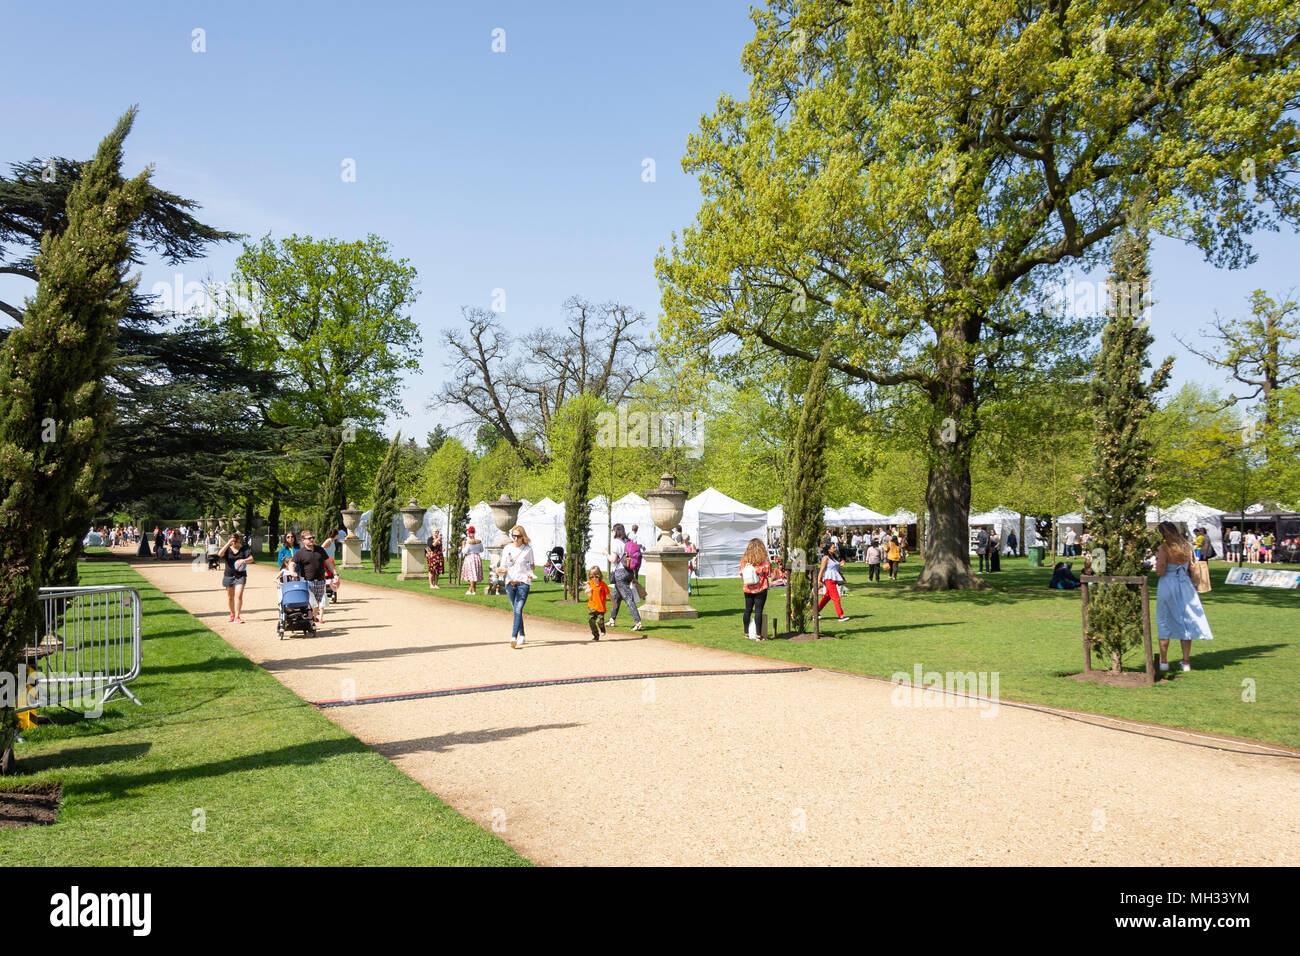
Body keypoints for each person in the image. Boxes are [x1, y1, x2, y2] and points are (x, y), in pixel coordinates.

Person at [1154, 520, 1213, 672]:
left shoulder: (1164, 548)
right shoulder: (1187, 546)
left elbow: (1160, 571)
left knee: (1164, 620)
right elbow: (1190, 568)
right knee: (1186, 620)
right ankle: (1186, 661)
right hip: (1185, 585)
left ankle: (1164, 661)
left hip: (1168, 583)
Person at [495, 525, 535, 648]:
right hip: (510, 584)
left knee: (517, 610)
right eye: (514, 536)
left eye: (518, 536)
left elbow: (532, 565)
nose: (515, 538)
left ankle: (514, 637)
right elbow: (503, 565)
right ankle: (522, 634)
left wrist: (530, 573)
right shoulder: (507, 548)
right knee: (516, 610)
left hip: (523, 583)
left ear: (523, 537)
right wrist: (500, 571)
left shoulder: (528, 550)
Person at [287, 530, 331, 625]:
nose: (312, 539)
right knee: (313, 604)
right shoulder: (300, 553)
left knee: (317, 603)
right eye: (309, 538)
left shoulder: (320, 550)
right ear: (303, 540)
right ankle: (311, 621)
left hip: (320, 581)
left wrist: (335, 573)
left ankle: (312, 621)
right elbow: (292, 563)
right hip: (307, 581)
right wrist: (292, 572)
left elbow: (328, 562)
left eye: (313, 537)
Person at [606, 523, 644, 632]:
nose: (612, 532)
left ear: (615, 531)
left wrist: (605, 554)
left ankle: (638, 622)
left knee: (628, 598)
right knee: (616, 598)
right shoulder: (626, 542)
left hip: (620, 573)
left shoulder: (615, 542)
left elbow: (613, 560)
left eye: (613, 530)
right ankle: (612, 620)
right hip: (629, 572)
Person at [739, 537, 771, 640]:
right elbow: (768, 572)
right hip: (760, 588)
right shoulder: (764, 559)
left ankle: (746, 633)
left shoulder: (744, 559)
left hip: (748, 588)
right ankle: (758, 635)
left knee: (747, 610)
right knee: (758, 611)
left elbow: (741, 573)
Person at [218, 531, 254, 623]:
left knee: (239, 595)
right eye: (232, 541)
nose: (234, 543)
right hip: (229, 575)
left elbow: (251, 559)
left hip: (240, 576)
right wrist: (228, 543)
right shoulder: (227, 549)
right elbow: (220, 554)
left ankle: (237, 616)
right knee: (230, 597)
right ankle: (232, 614)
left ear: (239, 540)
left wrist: (244, 560)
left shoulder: (244, 549)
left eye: (236, 541)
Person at [816, 543, 850, 622]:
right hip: (829, 580)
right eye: (833, 547)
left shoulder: (833, 557)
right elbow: (821, 570)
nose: (835, 549)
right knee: (836, 598)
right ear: (829, 549)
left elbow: (834, 568)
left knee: (827, 597)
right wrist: (818, 580)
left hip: (833, 580)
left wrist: (841, 564)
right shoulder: (825, 558)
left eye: (835, 547)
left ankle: (814, 612)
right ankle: (841, 616)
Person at [584, 567, 610, 641]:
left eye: (596, 576)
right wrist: (588, 589)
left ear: (600, 576)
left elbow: (608, 594)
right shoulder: (590, 583)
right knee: (591, 621)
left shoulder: (603, 585)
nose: (594, 578)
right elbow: (587, 593)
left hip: (601, 607)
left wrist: (613, 602)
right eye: (592, 577)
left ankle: (602, 628)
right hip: (592, 606)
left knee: (600, 621)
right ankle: (596, 635)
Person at [460, 526, 484, 595]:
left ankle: (472, 591)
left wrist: (463, 545)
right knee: (475, 574)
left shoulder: (468, 543)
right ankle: (472, 590)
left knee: (471, 575)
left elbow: (464, 551)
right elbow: (481, 550)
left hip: (470, 558)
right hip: (477, 557)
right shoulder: (479, 542)